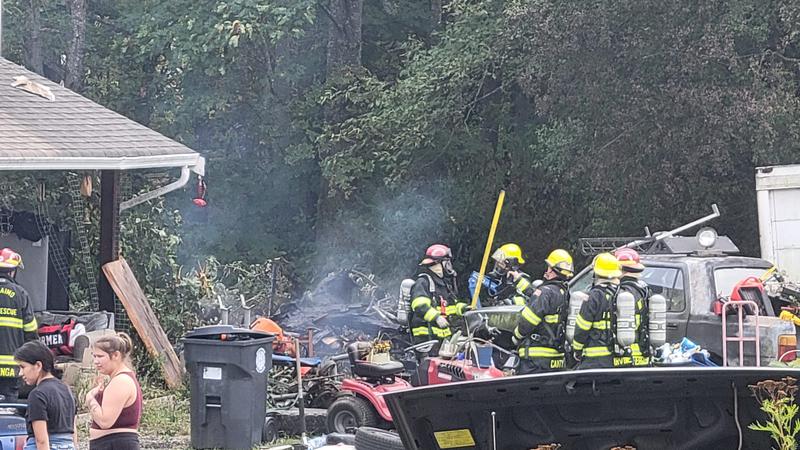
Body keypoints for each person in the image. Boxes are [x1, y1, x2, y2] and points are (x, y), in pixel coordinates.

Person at [512, 249, 574, 374]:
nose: (547, 270)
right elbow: (537, 295)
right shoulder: (565, 293)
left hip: (536, 360)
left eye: (549, 267)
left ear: (553, 270)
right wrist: (519, 281)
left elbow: (528, 321)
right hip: (556, 359)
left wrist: (516, 336)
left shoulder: (545, 292)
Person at [409, 244, 470, 357]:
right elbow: (419, 305)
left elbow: (450, 305)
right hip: (425, 339)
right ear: (438, 264)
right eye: (447, 262)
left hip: (440, 340)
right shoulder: (423, 282)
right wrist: (436, 317)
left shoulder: (443, 284)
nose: (449, 266)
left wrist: (464, 309)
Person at [14, 341, 77, 450]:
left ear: (38, 365)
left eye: (23, 367)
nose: (20, 373)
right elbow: (73, 430)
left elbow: (41, 441)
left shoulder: (37, 395)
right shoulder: (66, 389)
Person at [85, 333, 142, 450]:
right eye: (94, 356)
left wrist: (90, 398)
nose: (95, 361)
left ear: (116, 355)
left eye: (100, 356)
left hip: (115, 443)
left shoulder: (121, 381)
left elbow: (105, 421)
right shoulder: (120, 379)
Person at [0, 248, 38, 401]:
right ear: (12, 272)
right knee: (8, 413)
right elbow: (31, 331)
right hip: (12, 368)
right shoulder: (20, 294)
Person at [572, 252, 621, 370]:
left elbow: (582, 326)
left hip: (594, 360)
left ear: (596, 273)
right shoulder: (621, 294)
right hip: (617, 359)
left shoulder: (594, 296)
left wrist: (577, 349)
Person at [613, 248, 651, 367]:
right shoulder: (645, 290)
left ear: (619, 269)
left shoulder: (620, 293)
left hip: (625, 357)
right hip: (643, 353)